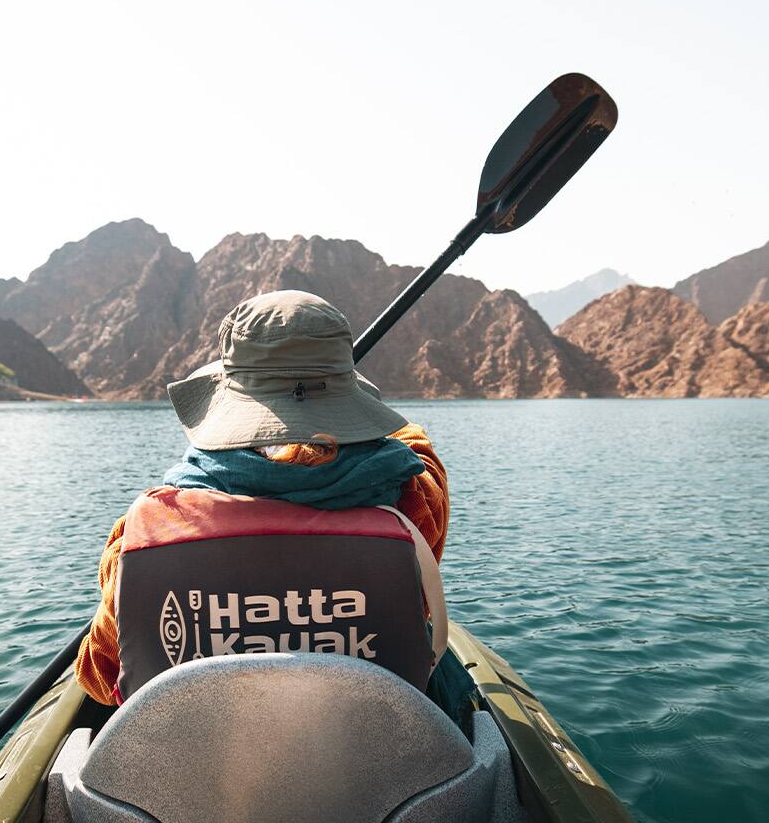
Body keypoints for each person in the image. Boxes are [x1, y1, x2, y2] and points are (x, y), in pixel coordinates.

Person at [74, 290, 472, 717]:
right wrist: (352, 421)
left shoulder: (147, 531)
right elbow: (415, 448)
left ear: (227, 407)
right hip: (379, 745)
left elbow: (99, 677)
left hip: (202, 752)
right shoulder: (411, 500)